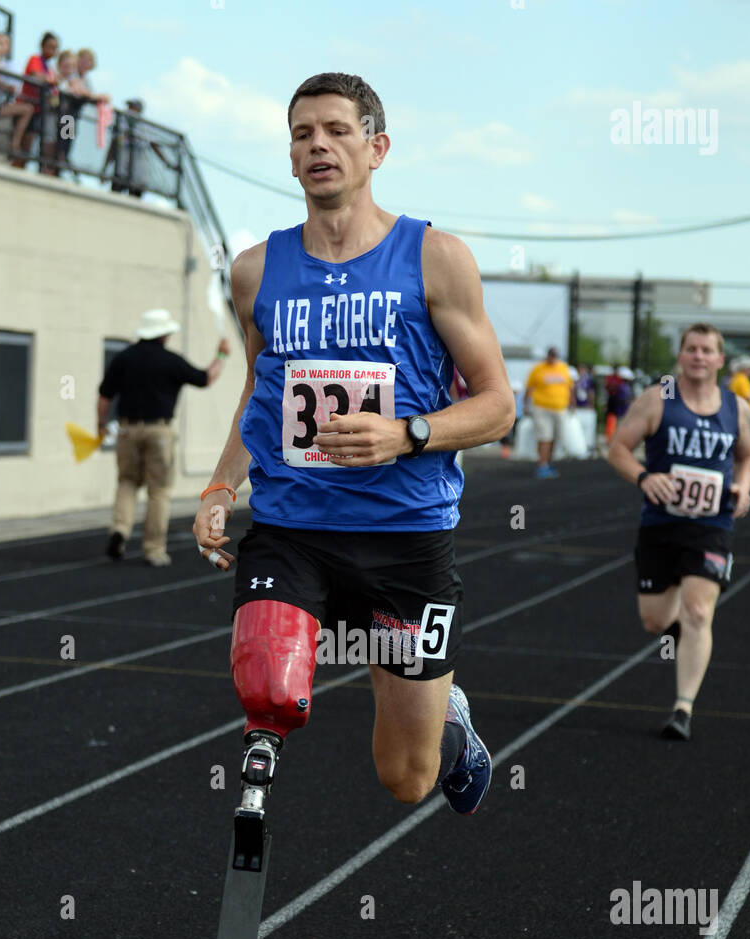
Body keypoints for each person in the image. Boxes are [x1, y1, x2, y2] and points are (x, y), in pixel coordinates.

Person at [192, 71, 514, 817]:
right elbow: (258, 396)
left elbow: (499, 405)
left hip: (403, 537)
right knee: (268, 683)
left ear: (377, 148)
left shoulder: (435, 258)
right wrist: (218, 489)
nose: (318, 146)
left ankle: (452, 726)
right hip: (292, 528)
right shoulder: (255, 271)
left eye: (337, 130)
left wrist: (406, 435)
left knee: (406, 778)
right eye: (303, 134)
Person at [606, 322, 750, 741]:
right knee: (654, 621)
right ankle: (688, 637)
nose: (699, 357)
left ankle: (682, 709)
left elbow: (749, 457)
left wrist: (744, 487)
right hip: (661, 523)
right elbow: (617, 449)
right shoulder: (660, 399)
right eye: (691, 349)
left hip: (712, 524)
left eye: (707, 350)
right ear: (681, 355)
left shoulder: (736, 407)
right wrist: (643, 478)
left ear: (720, 359)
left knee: (697, 610)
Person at [97, 310, 231, 565]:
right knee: (158, 490)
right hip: (159, 431)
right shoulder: (171, 360)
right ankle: (154, 549)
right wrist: (222, 354)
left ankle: (120, 530)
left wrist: (101, 425)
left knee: (126, 482)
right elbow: (206, 378)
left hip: (127, 429)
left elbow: (104, 396)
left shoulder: (123, 358)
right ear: (164, 335)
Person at [523, 346, 575, 478]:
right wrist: (526, 405)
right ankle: (542, 465)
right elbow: (529, 388)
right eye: (551, 355)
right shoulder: (538, 369)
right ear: (547, 355)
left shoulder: (563, 368)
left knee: (555, 437)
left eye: (555, 356)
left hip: (559, 408)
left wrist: (572, 403)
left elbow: (570, 388)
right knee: (545, 436)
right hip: (542, 407)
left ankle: (548, 462)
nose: (552, 358)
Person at [13, 32, 59, 170]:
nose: (53, 51)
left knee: (28, 148)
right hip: (27, 106)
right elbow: (36, 76)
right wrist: (51, 80)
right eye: (50, 47)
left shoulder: (49, 68)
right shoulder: (35, 60)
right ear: (42, 46)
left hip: (44, 112)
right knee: (20, 148)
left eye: (55, 48)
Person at [604, 365, 632, 447]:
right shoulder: (624, 388)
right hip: (622, 412)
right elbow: (623, 400)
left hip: (621, 412)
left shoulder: (622, 387)